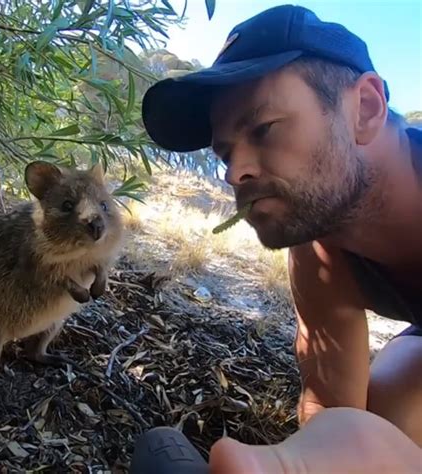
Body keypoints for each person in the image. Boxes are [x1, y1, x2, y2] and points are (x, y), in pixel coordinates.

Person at [140, 3, 422, 471]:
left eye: (264, 128)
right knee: (382, 415)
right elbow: (332, 410)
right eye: (224, 153)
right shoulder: (319, 246)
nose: (234, 173)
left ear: (366, 108)